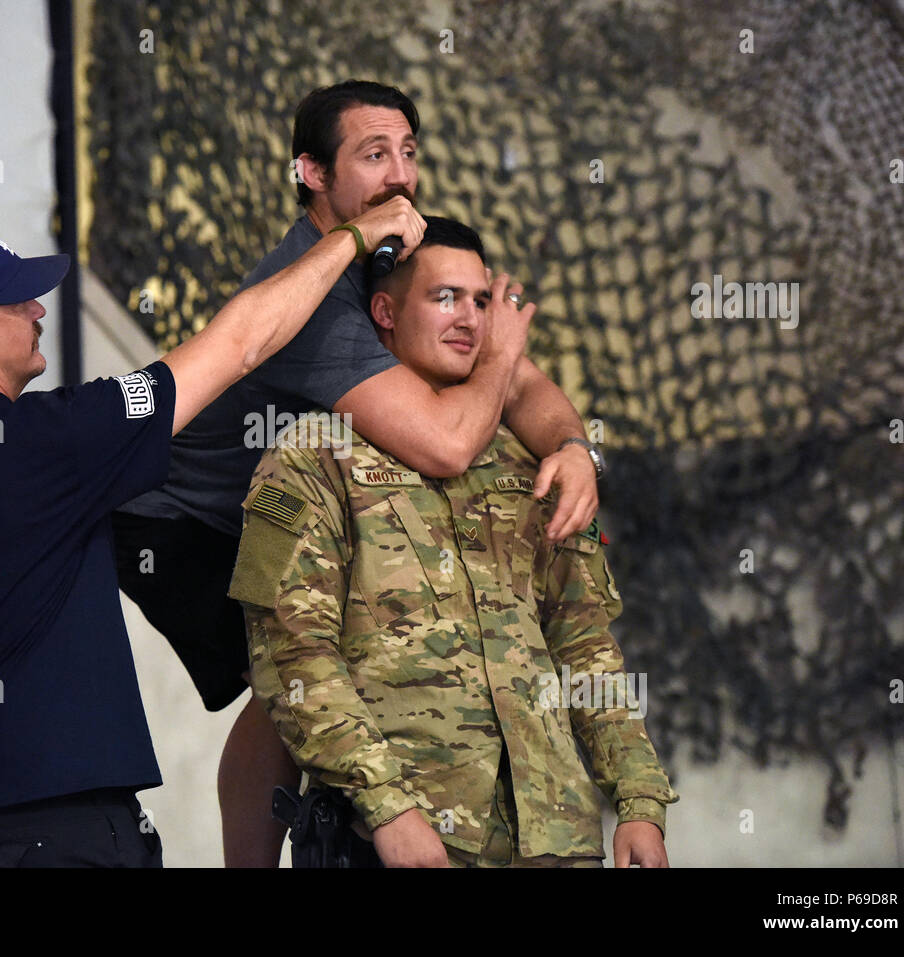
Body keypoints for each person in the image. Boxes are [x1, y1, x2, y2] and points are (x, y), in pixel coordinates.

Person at [0, 205, 423, 867]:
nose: (38, 311)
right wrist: (348, 239)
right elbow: (240, 345)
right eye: (17, 302)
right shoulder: (51, 438)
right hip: (69, 836)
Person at [114, 80, 608, 866]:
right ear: (312, 173)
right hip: (177, 518)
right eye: (374, 156)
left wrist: (576, 447)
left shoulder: (399, 256)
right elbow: (449, 440)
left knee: (307, 677)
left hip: (268, 492)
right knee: (290, 681)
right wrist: (505, 353)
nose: (400, 175)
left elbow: (521, 384)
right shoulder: (311, 293)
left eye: (408, 152)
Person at [229, 217, 678, 868]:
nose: (471, 317)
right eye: (445, 297)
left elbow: (584, 644)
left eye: (481, 300)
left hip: (555, 843)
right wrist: (386, 804)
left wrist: (638, 800)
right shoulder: (311, 460)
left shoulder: (537, 464)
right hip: (394, 843)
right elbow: (293, 655)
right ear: (384, 311)